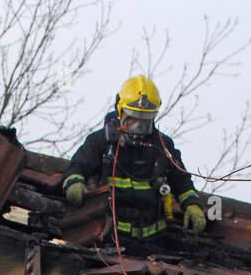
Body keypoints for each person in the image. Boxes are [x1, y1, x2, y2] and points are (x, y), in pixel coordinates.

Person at [61, 75, 207, 248]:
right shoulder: (100, 142)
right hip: (110, 240)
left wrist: (192, 204)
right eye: (132, 119)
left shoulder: (162, 146)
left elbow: (181, 180)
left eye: (145, 121)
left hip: (154, 243)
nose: (138, 127)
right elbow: (77, 167)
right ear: (120, 111)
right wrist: (74, 184)